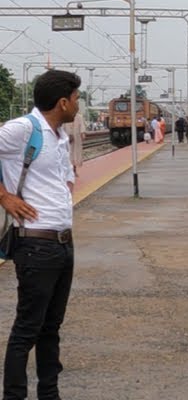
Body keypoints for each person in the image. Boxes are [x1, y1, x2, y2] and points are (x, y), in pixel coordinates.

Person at [0, 69, 80, 400]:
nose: (79, 104)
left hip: (62, 244)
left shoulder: (59, 135)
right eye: (76, 98)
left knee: (51, 328)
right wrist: (4, 196)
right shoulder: (22, 129)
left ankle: (50, 394)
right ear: (62, 102)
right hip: (35, 244)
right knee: (27, 329)